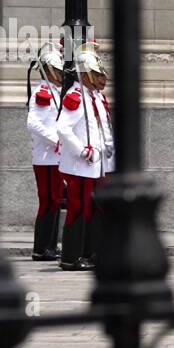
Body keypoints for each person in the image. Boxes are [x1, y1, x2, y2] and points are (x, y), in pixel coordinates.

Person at [56, 42, 115, 271]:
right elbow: (63, 128)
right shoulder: (76, 97)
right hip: (80, 165)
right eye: (96, 73)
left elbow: (103, 129)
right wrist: (82, 150)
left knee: (95, 208)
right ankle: (70, 257)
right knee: (78, 208)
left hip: (97, 165)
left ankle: (91, 253)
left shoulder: (96, 98)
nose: (100, 78)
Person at [26, 44, 65, 261]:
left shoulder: (54, 92)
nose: (59, 75)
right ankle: (41, 248)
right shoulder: (42, 93)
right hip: (45, 157)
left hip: (54, 158)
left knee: (55, 200)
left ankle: (50, 246)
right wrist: (55, 140)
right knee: (48, 200)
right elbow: (33, 123)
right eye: (57, 71)